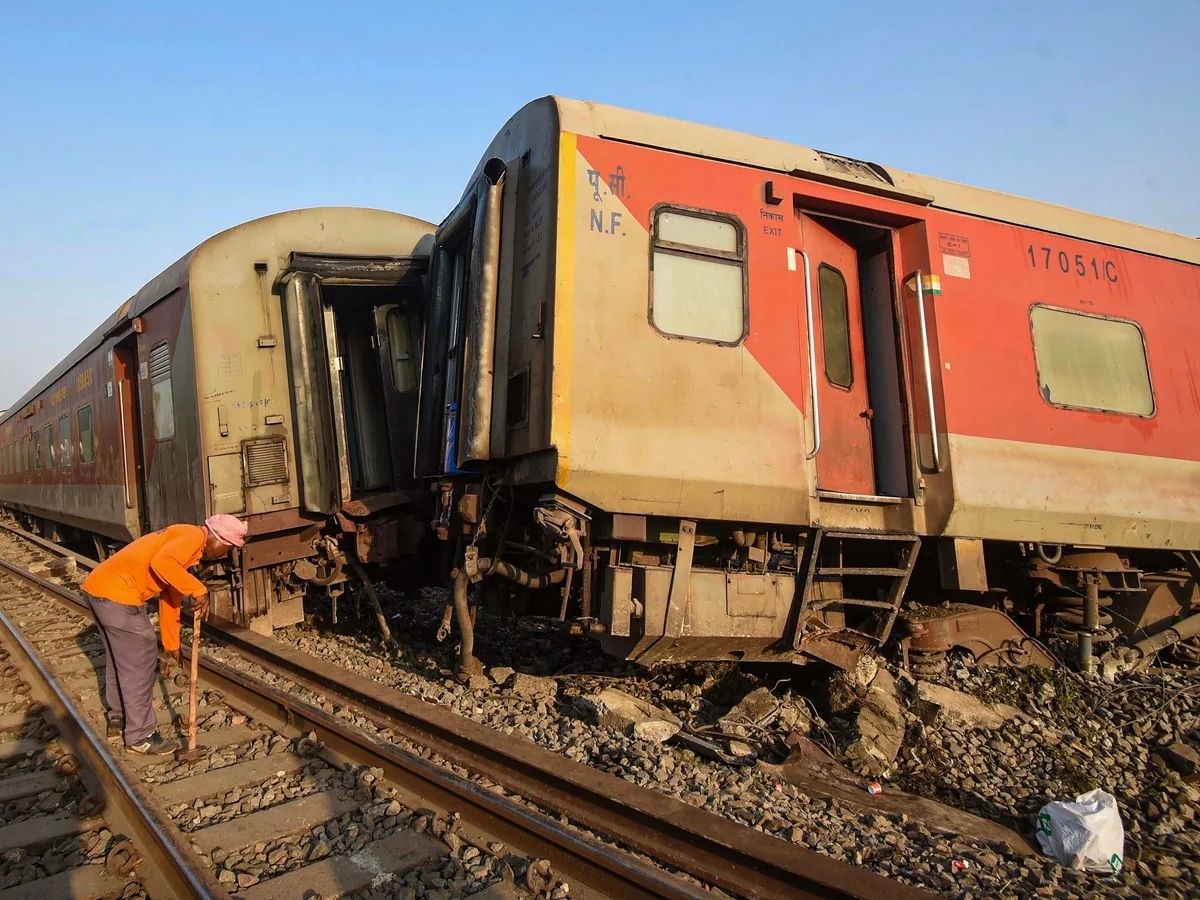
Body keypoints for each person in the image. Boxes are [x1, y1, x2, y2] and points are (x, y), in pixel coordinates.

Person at [80, 514, 248, 754]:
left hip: (99, 590)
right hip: (118, 596)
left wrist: (172, 644)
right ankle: (140, 736)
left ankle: (118, 717)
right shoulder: (192, 536)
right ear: (216, 537)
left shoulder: (186, 546)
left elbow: (170, 598)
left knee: (119, 659)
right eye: (228, 547)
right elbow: (161, 563)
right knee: (140, 658)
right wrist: (198, 589)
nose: (224, 553)